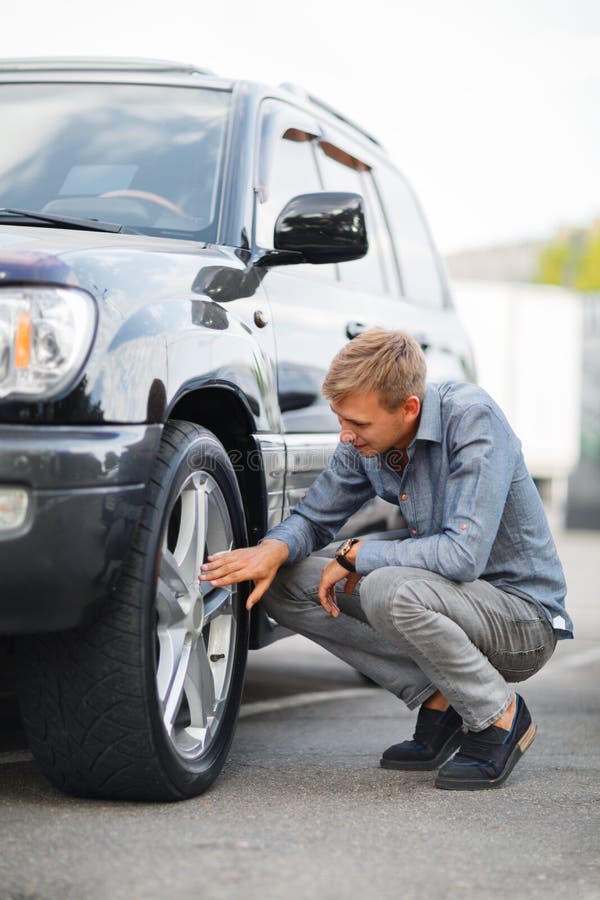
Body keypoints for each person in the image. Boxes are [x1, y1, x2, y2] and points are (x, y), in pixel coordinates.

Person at [199, 328, 572, 790]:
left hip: (521, 621)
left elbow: (462, 556)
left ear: (408, 408)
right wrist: (269, 551)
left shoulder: (473, 420)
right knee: (280, 581)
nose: (345, 434)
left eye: (358, 423)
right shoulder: (367, 442)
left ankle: (499, 716)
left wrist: (359, 554)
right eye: (341, 420)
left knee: (386, 586)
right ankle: (442, 696)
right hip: (443, 601)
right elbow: (314, 517)